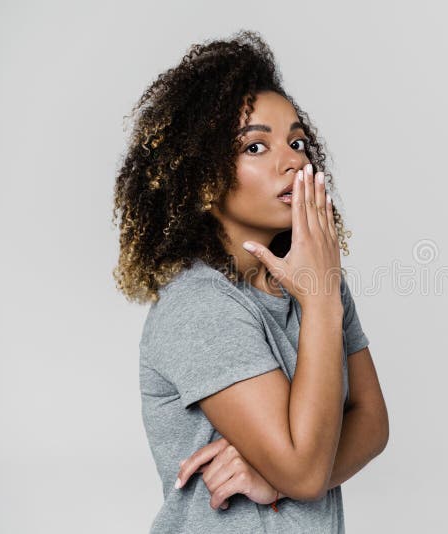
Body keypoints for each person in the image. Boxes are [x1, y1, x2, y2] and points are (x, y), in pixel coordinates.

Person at [112, 30, 389, 533]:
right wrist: (295, 472)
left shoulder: (319, 281)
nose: (293, 161)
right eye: (256, 146)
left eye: (298, 142)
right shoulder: (200, 305)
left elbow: (371, 421)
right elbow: (307, 468)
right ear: (202, 177)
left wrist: (277, 476)